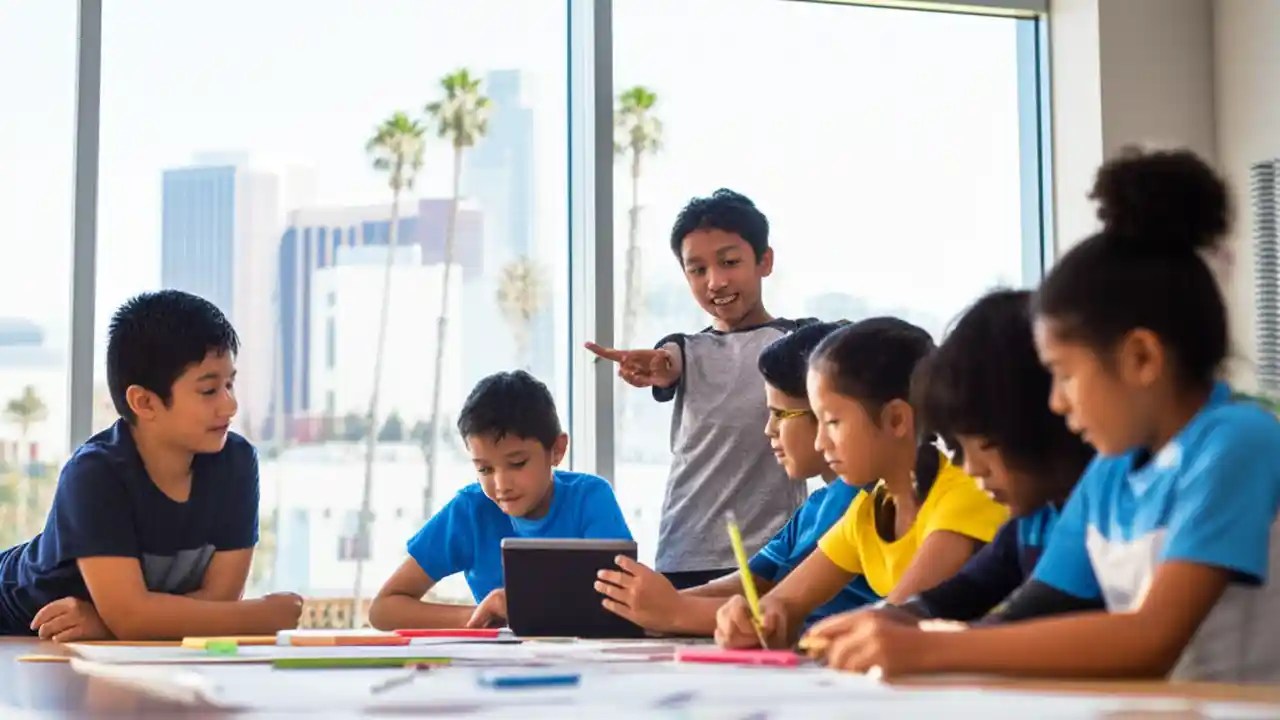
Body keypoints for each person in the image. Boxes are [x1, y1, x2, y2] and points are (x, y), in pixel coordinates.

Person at [812, 148, 1280, 683]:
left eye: (1064, 373)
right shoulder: (1109, 472)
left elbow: (1150, 638)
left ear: (1141, 359)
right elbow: (1033, 608)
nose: (1056, 402)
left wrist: (927, 649)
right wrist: (893, 630)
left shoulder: (1239, 442)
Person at [799, 290, 1097, 648]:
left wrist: (928, 645)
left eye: (984, 445)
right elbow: (960, 594)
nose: (972, 470)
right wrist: (879, 621)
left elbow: (1034, 611)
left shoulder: (1092, 502)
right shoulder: (1031, 521)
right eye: (957, 449)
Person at [0, 290, 301, 641]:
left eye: (230, 384)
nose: (229, 405)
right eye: (209, 391)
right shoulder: (95, 473)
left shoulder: (235, 463)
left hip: (78, 641)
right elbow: (136, 618)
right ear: (144, 402)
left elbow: (220, 603)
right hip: (16, 620)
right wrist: (263, 616)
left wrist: (109, 622)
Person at [715, 318, 1008, 649]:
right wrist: (755, 617)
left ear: (896, 419)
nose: (819, 443)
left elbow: (898, 619)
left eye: (833, 422)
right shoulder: (870, 509)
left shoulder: (964, 494)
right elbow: (783, 602)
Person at [593, 322, 878, 635]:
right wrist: (652, 604)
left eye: (781, 414)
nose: (769, 429)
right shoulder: (816, 507)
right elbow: (754, 581)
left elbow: (786, 611)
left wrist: (674, 611)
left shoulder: (864, 503)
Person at [586, 189, 808, 589]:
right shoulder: (688, 348)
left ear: (765, 261)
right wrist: (655, 366)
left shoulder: (798, 341)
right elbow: (668, 362)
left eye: (729, 262)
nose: (716, 281)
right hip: (684, 549)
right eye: (698, 269)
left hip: (770, 552)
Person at [369, 370, 633, 630]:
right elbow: (384, 609)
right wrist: (484, 613)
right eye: (484, 469)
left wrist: (523, 608)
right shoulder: (470, 511)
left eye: (517, 464)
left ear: (557, 450)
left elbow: (625, 604)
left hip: (588, 664)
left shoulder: (590, 498)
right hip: (499, 664)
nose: (501, 485)